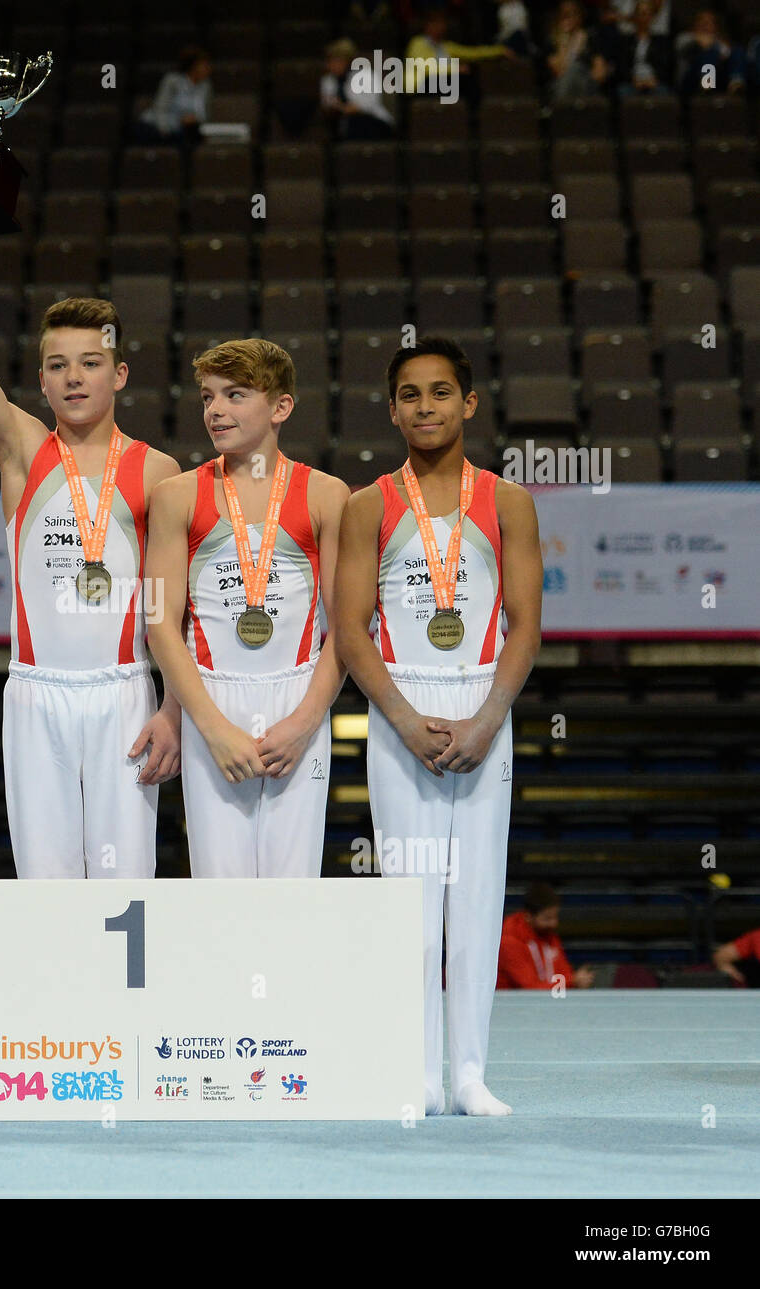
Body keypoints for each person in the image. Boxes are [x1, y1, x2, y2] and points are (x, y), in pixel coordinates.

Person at [0, 164, 182, 880]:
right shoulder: (22, 449)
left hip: (125, 689)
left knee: (124, 883)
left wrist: (173, 710)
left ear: (119, 374)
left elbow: (174, 609)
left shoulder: (159, 472)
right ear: (40, 381)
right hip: (35, 691)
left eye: (91, 363)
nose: (74, 377)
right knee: (45, 884)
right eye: (58, 365)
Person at [334, 335, 543, 1117]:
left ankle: (469, 1074)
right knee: (410, 903)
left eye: (441, 391)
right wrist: (400, 719)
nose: (426, 406)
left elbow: (525, 625)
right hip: (402, 706)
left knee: (477, 897)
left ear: (470, 402)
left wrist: (488, 719)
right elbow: (350, 629)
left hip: (483, 699)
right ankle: (417, 1070)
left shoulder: (508, 502)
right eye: (410, 395)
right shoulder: (368, 505)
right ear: (392, 411)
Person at [146, 339, 348, 878]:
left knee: (292, 887)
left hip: (299, 696)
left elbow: (346, 629)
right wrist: (209, 726)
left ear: (281, 406)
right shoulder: (176, 495)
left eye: (235, 395)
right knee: (221, 889)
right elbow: (159, 623)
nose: (215, 410)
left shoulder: (326, 495)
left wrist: (305, 722)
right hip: (210, 698)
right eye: (207, 397)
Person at [498, 882, 596, 989]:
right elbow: (530, 987)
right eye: (547, 918)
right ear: (528, 917)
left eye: (555, 917)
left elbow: (564, 973)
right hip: (511, 999)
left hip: (545, 998)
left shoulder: (547, 935)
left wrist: (572, 980)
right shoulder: (509, 942)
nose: (554, 923)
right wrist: (572, 982)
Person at [403, 4, 515, 94]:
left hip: (443, 83)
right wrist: (454, 69)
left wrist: (500, 50)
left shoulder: (446, 46)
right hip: (421, 85)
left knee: (469, 77)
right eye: (435, 23)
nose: (439, 27)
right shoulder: (417, 43)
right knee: (458, 79)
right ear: (427, 25)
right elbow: (425, 67)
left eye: (442, 23)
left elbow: (473, 53)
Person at [133, 46, 212, 147]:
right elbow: (160, 109)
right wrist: (165, 129)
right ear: (193, 66)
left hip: (186, 131)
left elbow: (204, 114)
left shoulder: (206, 86)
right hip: (158, 126)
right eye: (204, 65)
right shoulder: (172, 81)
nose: (209, 68)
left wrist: (195, 120)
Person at [321, 37, 396, 140]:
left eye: (337, 61)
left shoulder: (366, 75)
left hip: (373, 121)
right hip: (342, 123)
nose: (333, 65)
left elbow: (370, 105)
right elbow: (327, 105)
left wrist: (346, 108)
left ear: (348, 61)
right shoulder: (327, 80)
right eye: (330, 61)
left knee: (356, 122)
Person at [547, 0, 612, 101]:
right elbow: (558, 71)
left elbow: (600, 73)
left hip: (586, 85)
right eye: (565, 15)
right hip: (560, 85)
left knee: (577, 68)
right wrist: (564, 40)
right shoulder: (553, 41)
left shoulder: (591, 38)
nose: (570, 18)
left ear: (581, 16)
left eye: (574, 13)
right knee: (571, 73)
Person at [677, 8, 746, 96]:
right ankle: (707, 82)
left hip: (717, 77)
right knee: (709, 53)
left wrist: (713, 44)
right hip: (690, 80)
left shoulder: (719, 41)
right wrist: (702, 42)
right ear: (695, 23)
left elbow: (726, 53)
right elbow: (680, 46)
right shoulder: (685, 37)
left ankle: (736, 82)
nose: (705, 25)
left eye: (709, 22)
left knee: (737, 50)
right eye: (702, 21)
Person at [614, 0, 674, 94]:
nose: (644, 17)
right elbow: (621, 67)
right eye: (641, 14)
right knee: (621, 91)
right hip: (631, 82)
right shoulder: (626, 41)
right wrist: (633, 80)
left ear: (653, 17)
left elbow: (666, 67)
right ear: (635, 16)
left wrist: (655, 80)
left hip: (655, 82)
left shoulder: (661, 42)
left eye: (647, 14)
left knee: (664, 92)